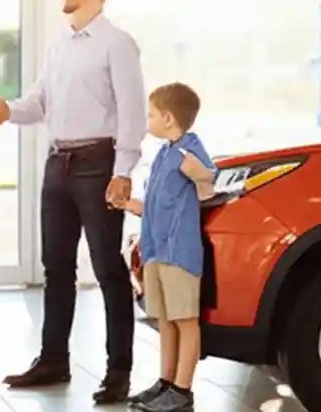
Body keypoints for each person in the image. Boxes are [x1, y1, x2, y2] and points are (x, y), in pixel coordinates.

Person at [0, 0, 145, 404]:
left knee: (108, 269)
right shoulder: (59, 45)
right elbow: (38, 104)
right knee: (56, 267)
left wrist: (123, 171)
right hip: (58, 164)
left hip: (98, 163)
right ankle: (53, 360)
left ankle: (118, 371)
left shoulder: (117, 44)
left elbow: (133, 113)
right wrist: (5, 111)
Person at [116, 83, 216, 412]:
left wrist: (200, 175)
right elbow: (159, 204)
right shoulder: (163, 154)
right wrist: (130, 205)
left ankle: (182, 390)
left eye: (151, 115)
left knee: (185, 320)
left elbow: (208, 182)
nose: (148, 121)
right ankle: (166, 382)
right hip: (156, 252)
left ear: (168, 118)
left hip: (178, 254)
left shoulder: (189, 150)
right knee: (165, 320)